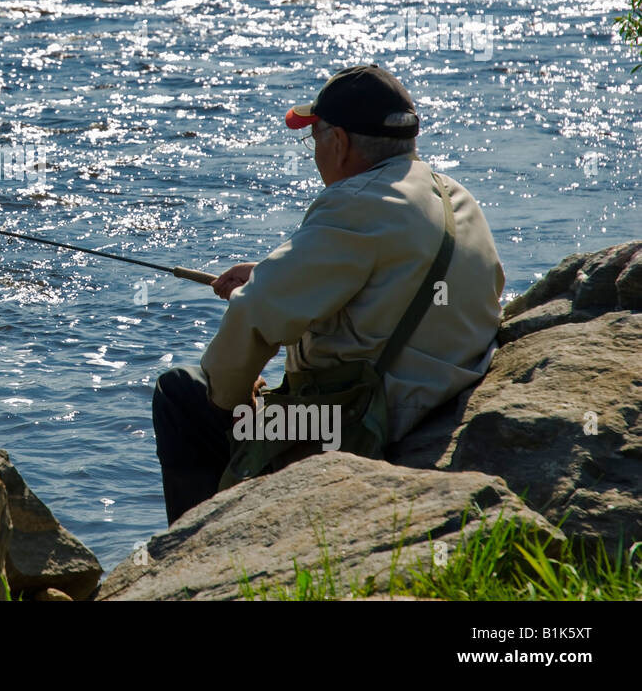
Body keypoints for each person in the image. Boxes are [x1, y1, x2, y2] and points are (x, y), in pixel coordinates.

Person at [152, 64, 504, 525]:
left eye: (313, 137)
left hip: (365, 420)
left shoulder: (356, 203)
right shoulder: (453, 195)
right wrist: (268, 273)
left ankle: (194, 547)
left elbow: (256, 315)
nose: (314, 151)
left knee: (184, 394)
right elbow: (392, 278)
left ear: (338, 142)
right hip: (441, 393)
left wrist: (231, 404)